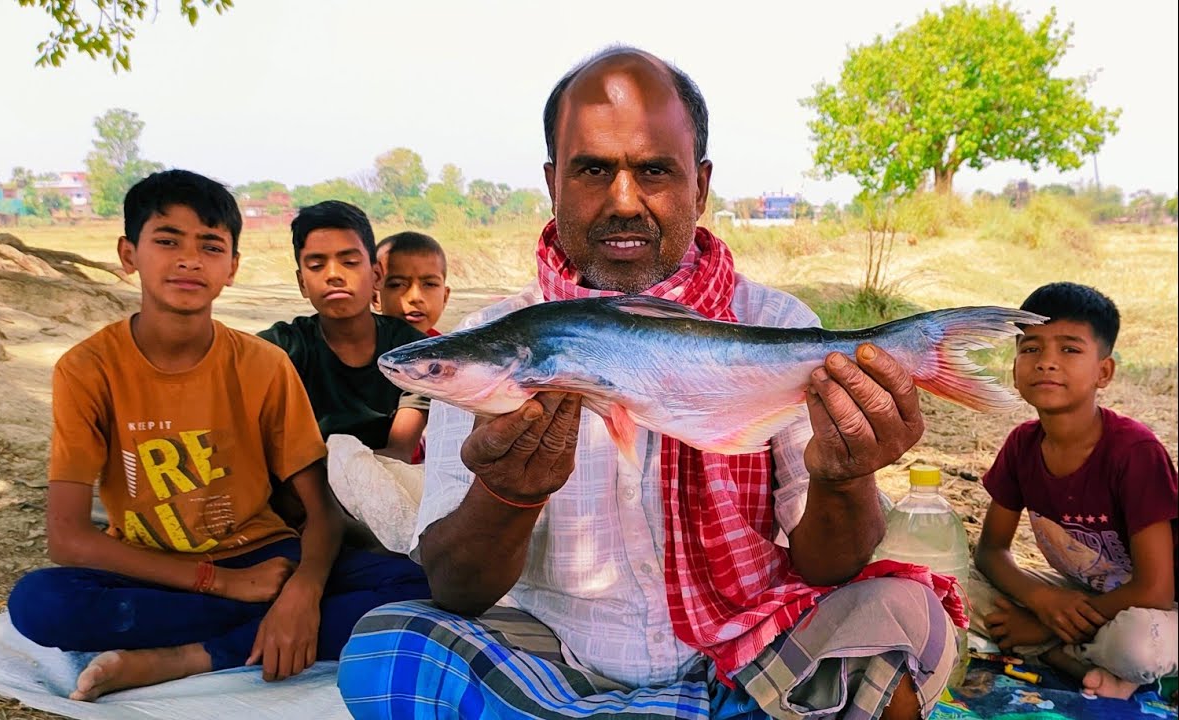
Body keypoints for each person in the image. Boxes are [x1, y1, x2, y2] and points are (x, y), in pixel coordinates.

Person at [337, 47, 964, 720]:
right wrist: (506, 495)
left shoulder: (779, 326)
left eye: (654, 171)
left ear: (701, 183)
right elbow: (457, 588)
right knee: (388, 646)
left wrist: (845, 479)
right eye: (593, 170)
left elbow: (827, 567)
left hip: (749, 648)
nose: (624, 200)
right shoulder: (493, 335)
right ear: (554, 180)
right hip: (553, 654)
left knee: (900, 616)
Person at [6, 170, 430, 702]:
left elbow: (320, 511)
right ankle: (250, 632)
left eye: (210, 246)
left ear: (231, 267)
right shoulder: (87, 369)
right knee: (39, 603)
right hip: (156, 566)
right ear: (128, 253)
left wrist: (301, 592)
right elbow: (67, 537)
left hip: (266, 558)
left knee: (421, 587)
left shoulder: (264, 365)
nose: (188, 260)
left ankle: (190, 656)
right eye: (167, 241)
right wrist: (221, 583)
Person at [971, 282, 1177, 699]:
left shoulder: (1134, 452)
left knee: (1139, 646)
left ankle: (1054, 650)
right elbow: (991, 551)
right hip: (1081, 599)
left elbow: (1156, 589)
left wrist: (1044, 621)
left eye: (1069, 349)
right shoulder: (1021, 445)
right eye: (1030, 348)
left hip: (1154, 608)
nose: (1046, 362)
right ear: (1014, 367)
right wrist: (1042, 598)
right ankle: (1075, 659)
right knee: (954, 586)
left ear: (1104, 372)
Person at [258, 202, 430, 461]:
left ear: (376, 275)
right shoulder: (285, 346)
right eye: (316, 266)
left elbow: (398, 452)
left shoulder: (410, 350)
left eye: (349, 262)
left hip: (385, 483)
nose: (334, 275)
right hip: (301, 491)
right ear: (302, 283)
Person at [376, 231, 451, 336]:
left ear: (445, 297)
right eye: (397, 284)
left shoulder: (446, 349)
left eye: (429, 284)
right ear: (375, 297)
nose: (415, 297)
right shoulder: (357, 349)